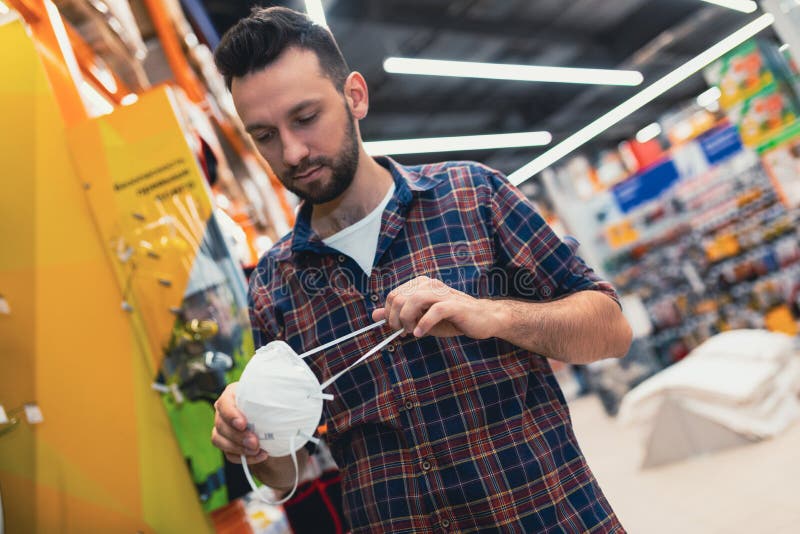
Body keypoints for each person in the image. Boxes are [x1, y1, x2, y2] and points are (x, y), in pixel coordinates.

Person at [211, 6, 632, 532]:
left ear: (355, 96)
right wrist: (249, 441)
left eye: (305, 118)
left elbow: (611, 330)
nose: (292, 152)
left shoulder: (473, 196)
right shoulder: (274, 284)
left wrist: (496, 316)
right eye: (265, 135)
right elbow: (286, 468)